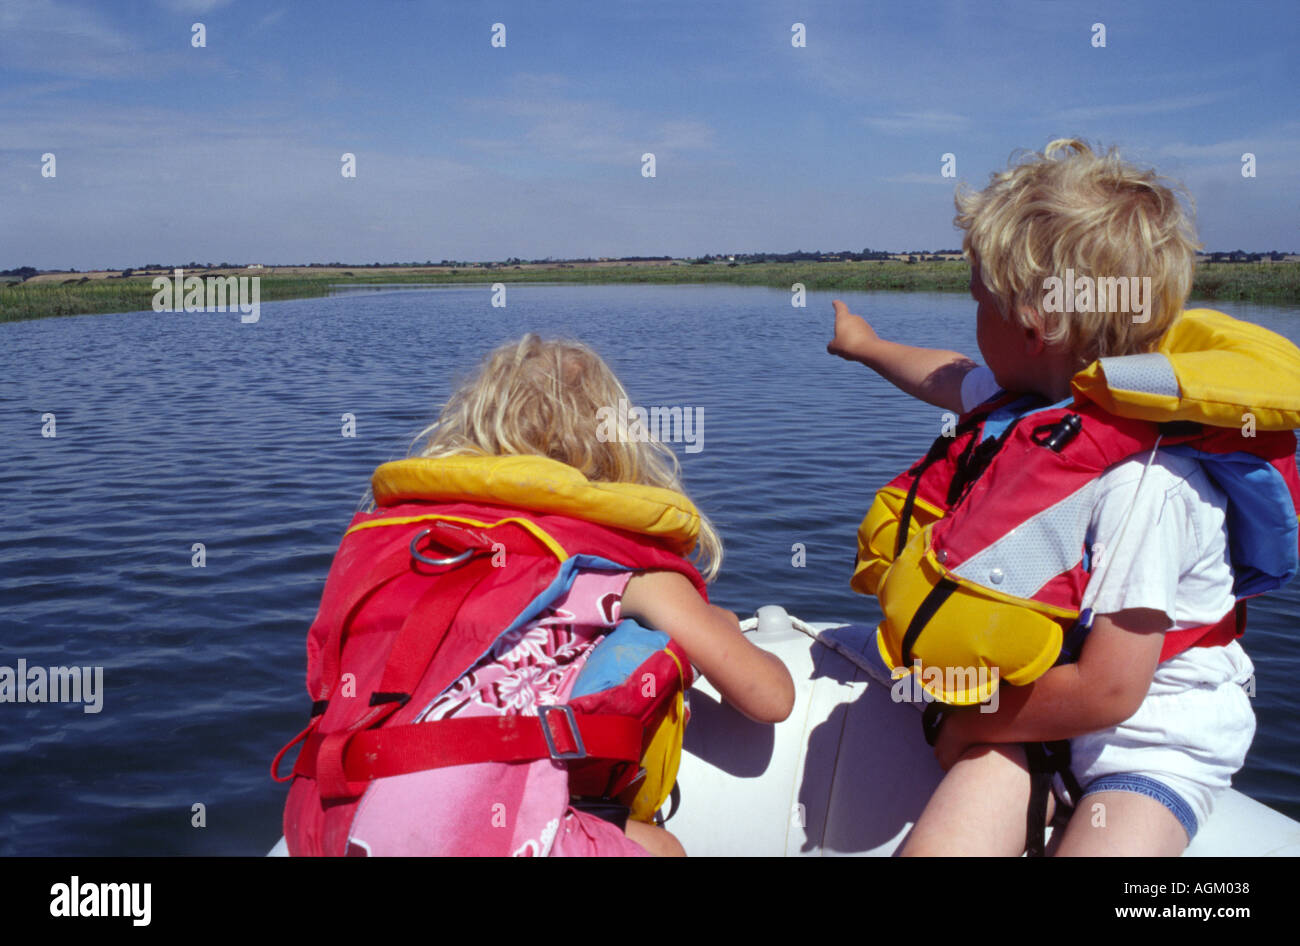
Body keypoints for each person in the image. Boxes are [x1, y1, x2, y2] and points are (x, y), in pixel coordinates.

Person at [828, 139, 1300, 855]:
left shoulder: (1151, 481)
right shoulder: (1036, 408)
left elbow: (1111, 690)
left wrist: (966, 722)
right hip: (1033, 707)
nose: (971, 318)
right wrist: (865, 345)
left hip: (1146, 741)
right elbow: (945, 377)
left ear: (1032, 325)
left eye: (977, 298)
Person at [275, 335, 794, 856]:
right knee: (663, 848)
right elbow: (770, 697)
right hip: (461, 841)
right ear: (616, 443)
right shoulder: (616, 560)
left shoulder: (410, 544)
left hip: (318, 820)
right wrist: (717, 627)